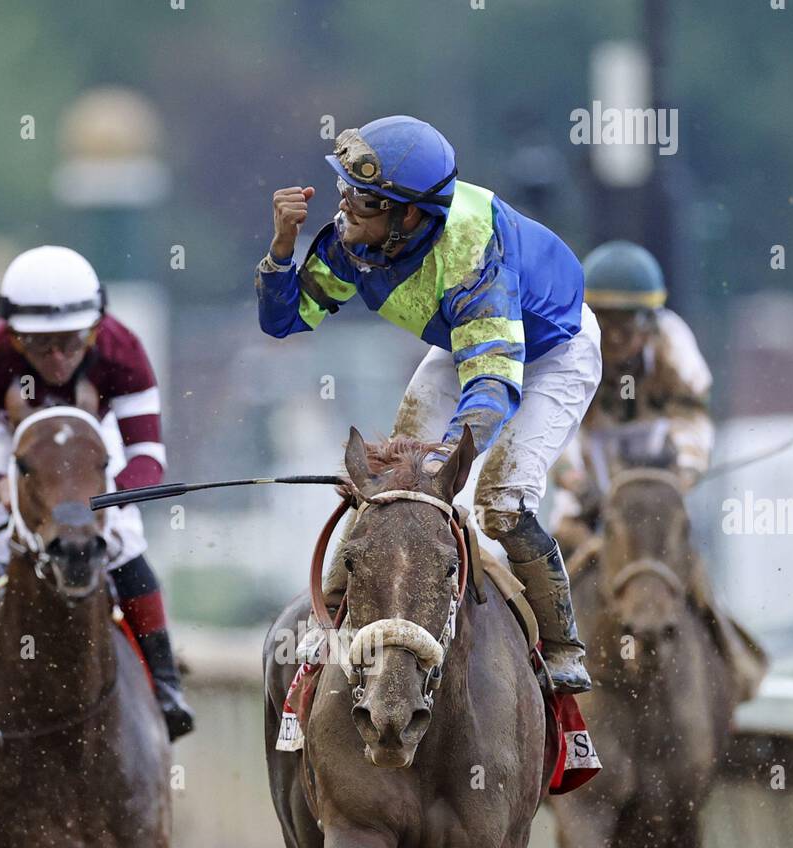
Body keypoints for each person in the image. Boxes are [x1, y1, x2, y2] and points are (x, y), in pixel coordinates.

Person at [256, 116, 602, 692]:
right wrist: (281, 249)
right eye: (344, 192)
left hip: (551, 354)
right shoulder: (362, 237)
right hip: (462, 342)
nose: (345, 211)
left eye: (361, 201)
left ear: (408, 215)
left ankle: (563, 645)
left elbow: (493, 387)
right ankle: (335, 615)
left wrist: (442, 460)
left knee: (502, 501)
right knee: (393, 482)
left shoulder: (473, 261)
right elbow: (285, 320)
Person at [0, 245, 194, 739]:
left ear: (94, 330)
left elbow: (148, 458)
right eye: (40, 346)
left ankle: (166, 684)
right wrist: (0, 486)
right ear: (13, 337)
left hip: (93, 444)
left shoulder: (123, 350)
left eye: (71, 342)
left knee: (127, 547)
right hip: (14, 443)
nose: (59, 358)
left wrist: (108, 497)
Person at [551, 239, 766, 700]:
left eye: (625, 327)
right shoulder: (568, 344)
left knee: (683, 561)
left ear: (649, 324)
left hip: (654, 475)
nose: (613, 339)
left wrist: (683, 474)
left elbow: (691, 418)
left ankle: (731, 660)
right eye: (604, 325)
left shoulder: (674, 344)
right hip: (590, 471)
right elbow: (551, 425)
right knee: (545, 565)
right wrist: (575, 481)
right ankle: (537, 656)